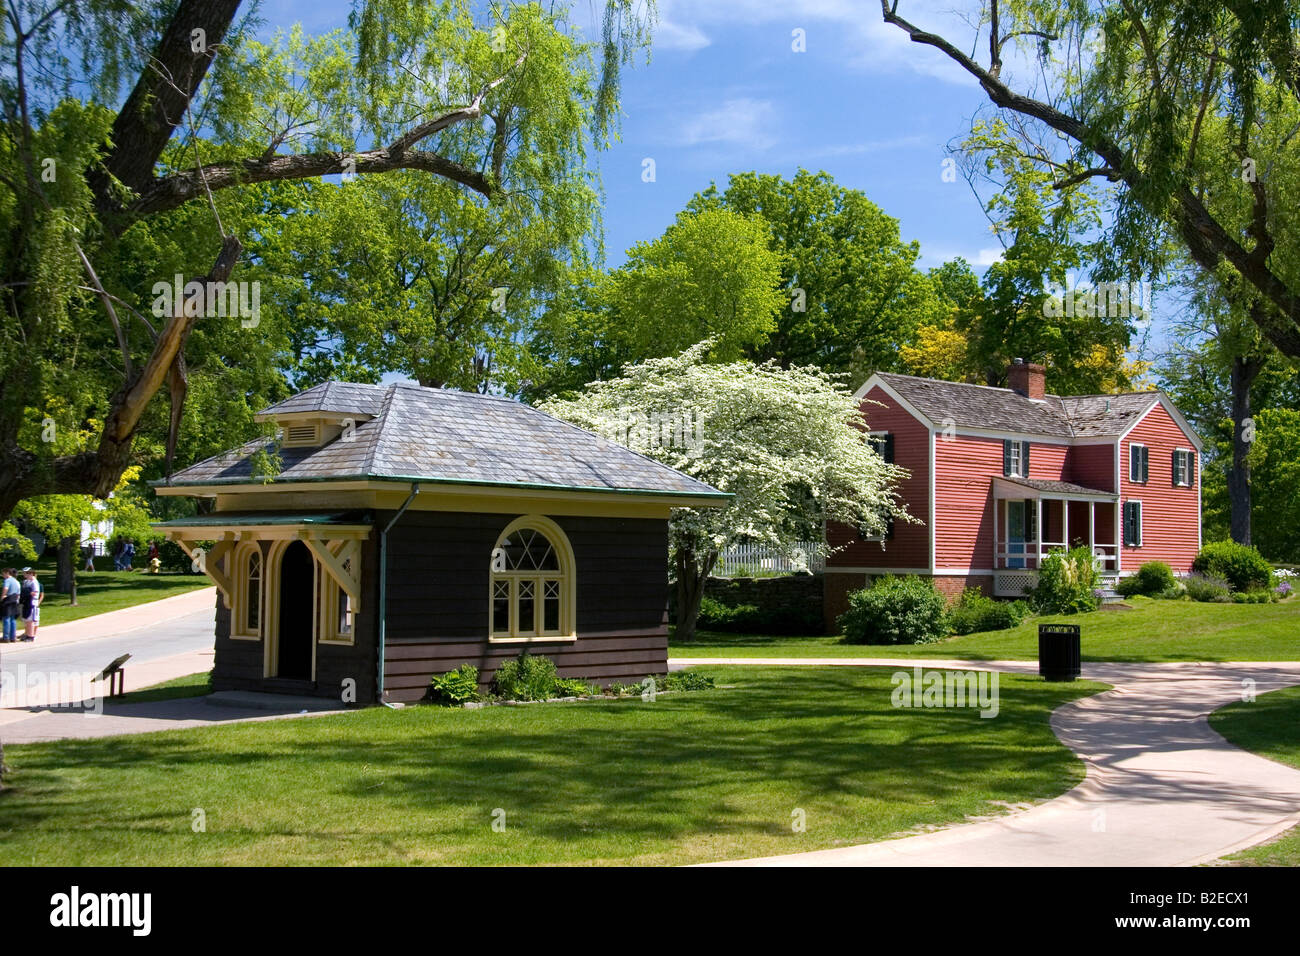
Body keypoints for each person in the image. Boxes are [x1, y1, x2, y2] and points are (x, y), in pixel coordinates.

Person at [19, 567, 41, 642]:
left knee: (31, 620)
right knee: (27, 620)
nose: (24, 574)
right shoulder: (27, 581)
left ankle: (31, 636)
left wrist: (28, 593)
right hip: (26, 602)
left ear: (31, 573)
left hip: (32, 603)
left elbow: (34, 593)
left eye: (26, 573)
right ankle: (27, 634)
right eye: (24, 573)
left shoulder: (34, 582)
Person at [0, 568, 18, 643]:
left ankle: (6, 637)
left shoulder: (7, 580)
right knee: (12, 619)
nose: (2, 575)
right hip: (14, 599)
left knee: (6, 618)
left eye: (3, 573)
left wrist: (2, 596)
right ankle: (13, 637)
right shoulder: (15, 581)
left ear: (7, 573)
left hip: (8, 600)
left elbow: (6, 588)